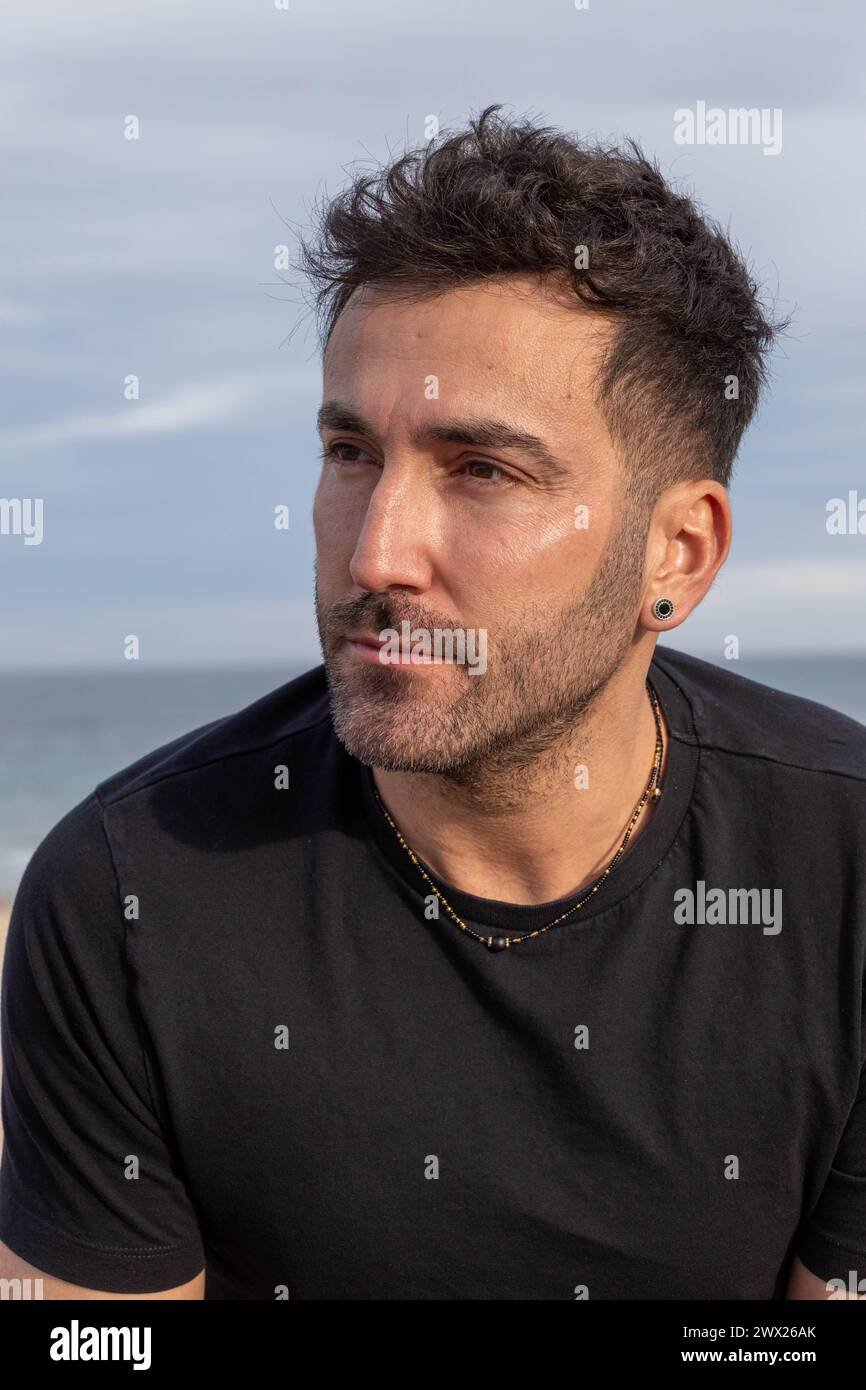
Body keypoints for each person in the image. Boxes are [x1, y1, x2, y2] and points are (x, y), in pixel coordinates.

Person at [2, 105, 865, 1301]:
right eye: (351, 452)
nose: (375, 556)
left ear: (676, 552)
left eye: (483, 471)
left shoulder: (841, 869)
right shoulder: (132, 892)